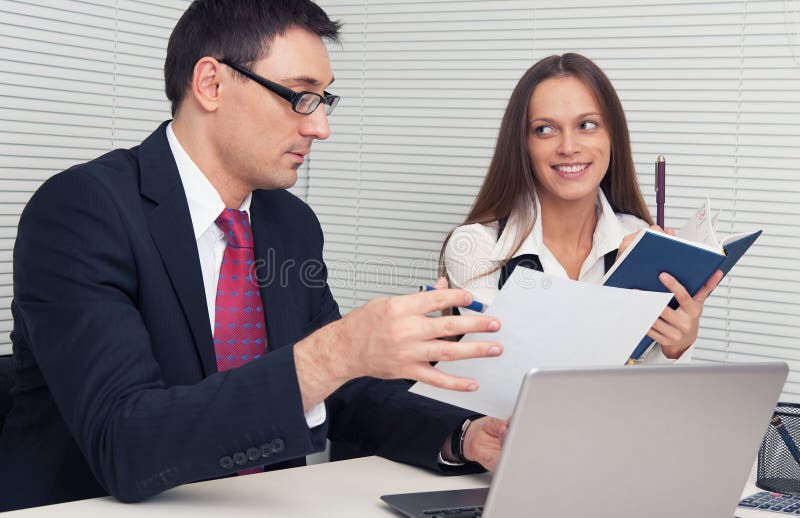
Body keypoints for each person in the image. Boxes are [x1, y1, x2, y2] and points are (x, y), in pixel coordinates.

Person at [0, 1, 509, 511]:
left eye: (323, 99)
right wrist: (336, 351)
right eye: (300, 96)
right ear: (211, 84)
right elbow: (123, 440)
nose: (320, 128)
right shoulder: (82, 210)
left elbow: (340, 394)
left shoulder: (291, 224)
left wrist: (464, 435)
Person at [442, 53, 723, 363]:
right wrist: (613, 295)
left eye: (587, 125)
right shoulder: (477, 249)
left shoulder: (638, 238)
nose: (568, 147)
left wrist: (676, 348)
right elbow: (506, 381)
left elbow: (656, 400)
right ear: (522, 145)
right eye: (545, 130)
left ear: (612, 136)